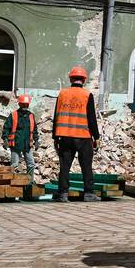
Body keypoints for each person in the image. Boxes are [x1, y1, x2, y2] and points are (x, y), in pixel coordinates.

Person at [52, 66, 100, 203]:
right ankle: (89, 194)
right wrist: (96, 137)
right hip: (83, 136)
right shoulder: (87, 95)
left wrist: (55, 137)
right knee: (86, 166)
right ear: (84, 80)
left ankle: (63, 194)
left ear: (70, 78)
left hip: (65, 136)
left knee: (65, 167)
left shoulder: (62, 94)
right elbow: (92, 118)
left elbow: (56, 116)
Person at [4, 94, 39, 180]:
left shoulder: (31, 116)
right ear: (19, 104)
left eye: (26, 104)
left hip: (27, 145)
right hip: (16, 144)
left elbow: (34, 130)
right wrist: (5, 139)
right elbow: (6, 128)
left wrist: (36, 140)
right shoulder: (13, 115)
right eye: (23, 104)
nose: (25, 106)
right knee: (14, 165)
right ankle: (13, 182)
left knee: (31, 164)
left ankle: (30, 182)